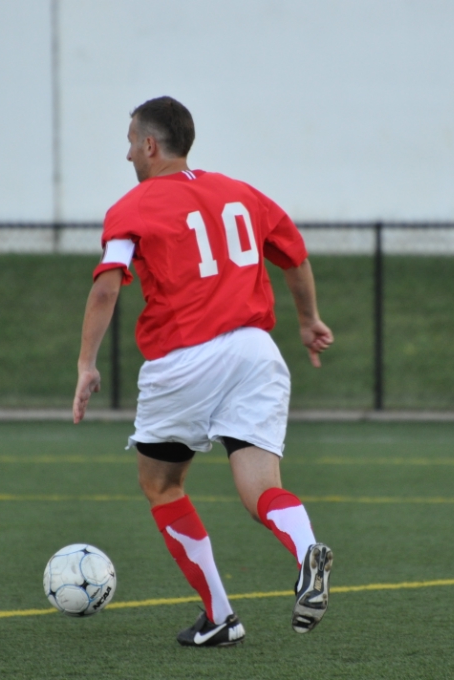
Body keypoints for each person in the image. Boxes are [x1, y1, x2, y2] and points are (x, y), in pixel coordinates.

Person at [72, 96, 334, 648]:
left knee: (161, 483)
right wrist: (308, 320)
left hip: (185, 357)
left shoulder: (134, 205)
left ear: (150, 144)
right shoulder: (243, 193)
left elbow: (107, 283)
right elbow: (294, 254)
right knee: (261, 487)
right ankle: (306, 546)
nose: (126, 155)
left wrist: (86, 363)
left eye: (129, 142)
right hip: (257, 351)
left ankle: (220, 615)